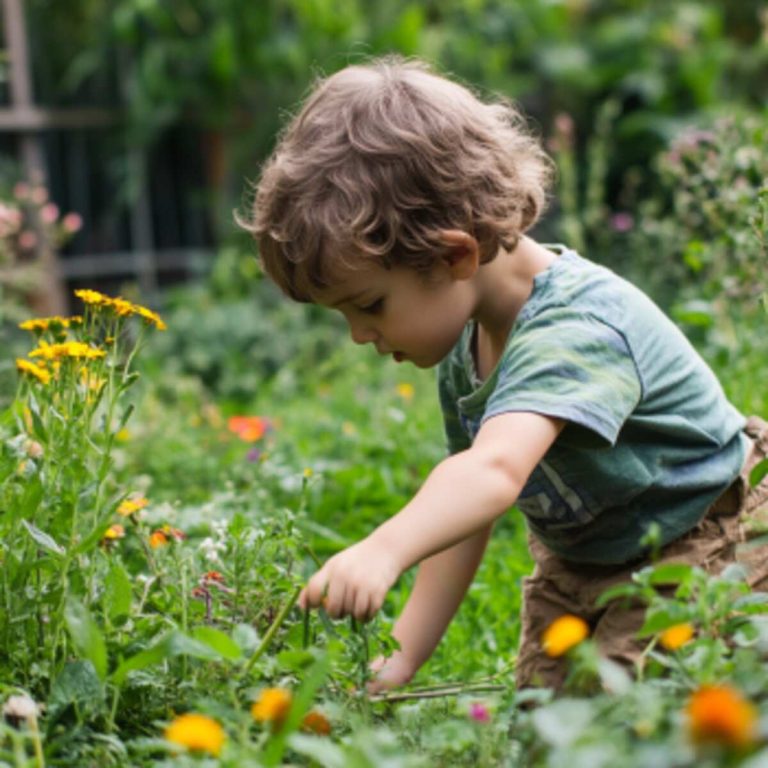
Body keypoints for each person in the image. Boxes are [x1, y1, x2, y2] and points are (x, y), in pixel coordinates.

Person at [239, 55, 768, 691]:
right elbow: (466, 509)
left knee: (630, 719)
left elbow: (493, 473)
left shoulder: (575, 329)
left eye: (370, 305)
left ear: (454, 256)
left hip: (704, 541)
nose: (359, 335)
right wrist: (402, 656)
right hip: (584, 562)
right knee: (547, 725)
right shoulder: (467, 349)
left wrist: (384, 548)